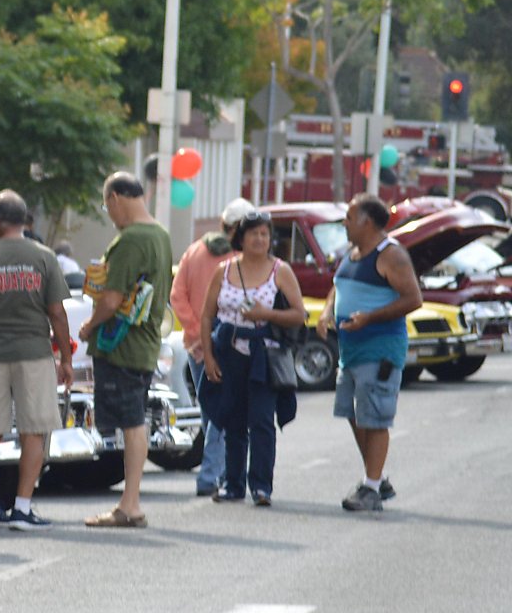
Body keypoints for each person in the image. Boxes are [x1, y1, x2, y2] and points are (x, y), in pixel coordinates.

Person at [0, 189, 72, 530]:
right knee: (33, 430)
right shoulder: (44, 257)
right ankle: (23, 508)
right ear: (24, 221)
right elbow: (57, 313)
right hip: (34, 355)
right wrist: (65, 358)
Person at [79, 171, 174, 528]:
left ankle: (130, 503)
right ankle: (129, 501)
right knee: (135, 419)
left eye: (107, 206)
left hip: (122, 345)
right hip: (146, 342)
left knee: (132, 421)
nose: (110, 214)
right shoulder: (161, 235)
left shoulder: (131, 240)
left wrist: (90, 326)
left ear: (116, 198)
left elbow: (112, 299)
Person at [319, 192, 421, 513]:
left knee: (375, 417)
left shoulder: (391, 255)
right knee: (352, 412)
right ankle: (375, 478)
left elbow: (412, 299)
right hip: (351, 351)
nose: (344, 223)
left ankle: (372, 487)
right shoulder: (353, 253)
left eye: (349, 217)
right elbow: (338, 286)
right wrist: (326, 313)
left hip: (380, 350)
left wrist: (369, 318)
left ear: (367, 222)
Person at [198, 211, 306, 506]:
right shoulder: (224, 270)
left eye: (265, 234)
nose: (260, 239)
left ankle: (261, 486)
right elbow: (207, 316)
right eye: (254, 233)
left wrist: (265, 314)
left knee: (261, 420)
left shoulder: (280, 271)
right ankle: (232, 484)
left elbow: (299, 314)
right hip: (228, 350)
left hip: (264, 353)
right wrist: (208, 356)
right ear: (240, 238)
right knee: (231, 419)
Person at [170, 222, 236, 496]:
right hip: (225, 342)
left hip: (195, 345)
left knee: (209, 410)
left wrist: (196, 333)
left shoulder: (193, 251)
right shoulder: (237, 260)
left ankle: (215, 472)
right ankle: (212, 475)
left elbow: (177, 296)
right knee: (222, 411)